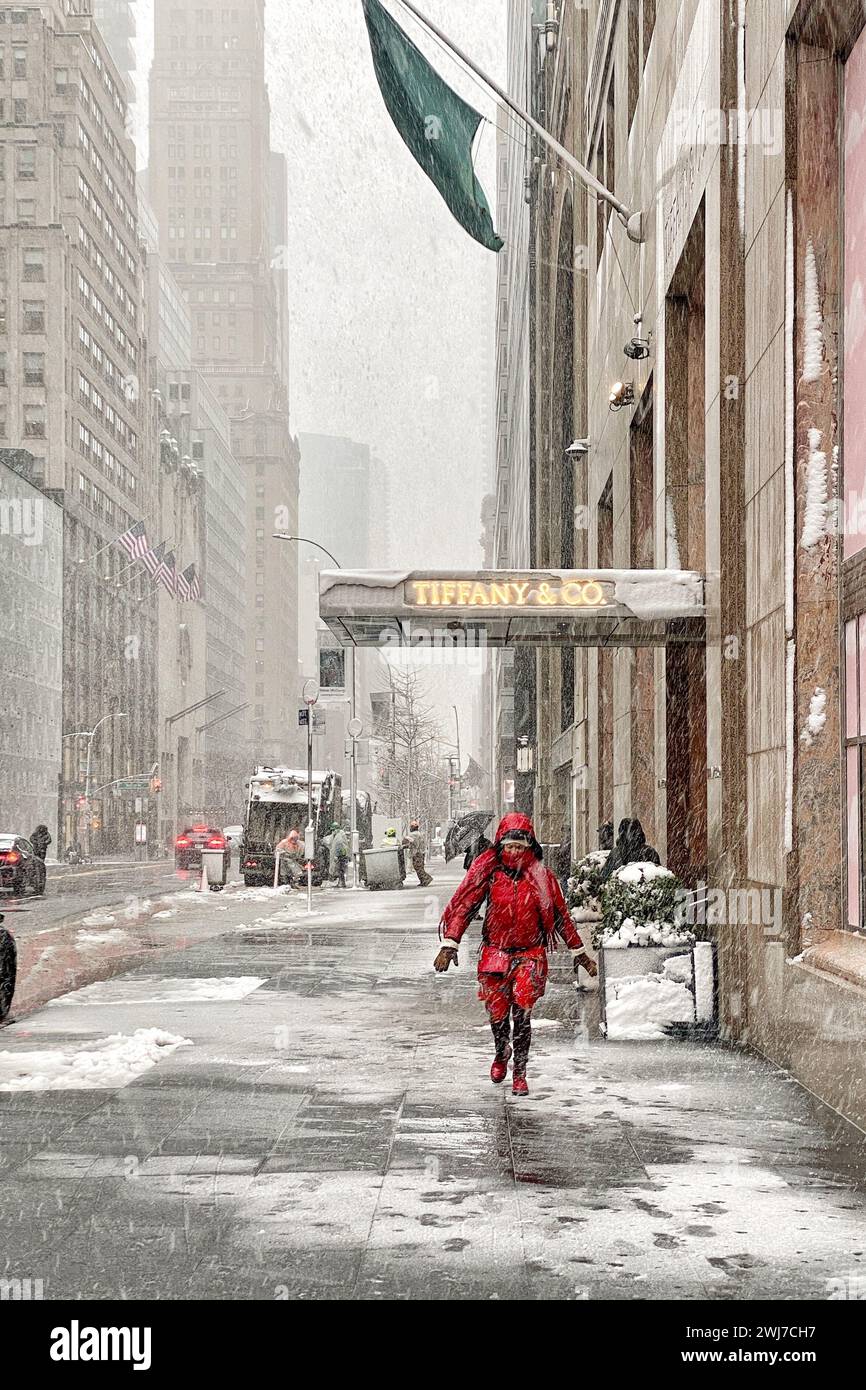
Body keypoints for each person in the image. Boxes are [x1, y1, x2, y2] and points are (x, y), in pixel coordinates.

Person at [434, 812, 598, 1097]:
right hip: (495, 953)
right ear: (501, 845)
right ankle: (501, 1051)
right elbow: (465, 908)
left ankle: (520, 1072)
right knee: (497, 1015)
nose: (514, 851)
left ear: (529, 847)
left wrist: (580, 954)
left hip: (529, 954)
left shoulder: (542, 877)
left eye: (519, 846)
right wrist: (449, 945)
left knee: (522, 1015)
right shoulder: (490, 873)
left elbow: (560, 917)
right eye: (509, 846)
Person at [403, 819, 432, 887]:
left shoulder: (413, 835)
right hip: (421, 852)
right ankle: (423, 880)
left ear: (412, 827)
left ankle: (426, 879)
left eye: (411, 827)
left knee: (418, 867)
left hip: (417, 853)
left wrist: (406, 844)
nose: (410, 828)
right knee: (420, 867)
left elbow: (411, 842)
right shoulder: (419, 834)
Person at [329, 821, 350, 888]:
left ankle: (341, 883)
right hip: (341, 855)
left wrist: (337, 855)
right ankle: (341, 882)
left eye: (333, 830)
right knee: (340, 870)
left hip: (341, 856)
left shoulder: (339, 836)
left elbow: (339, 845)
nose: (332, 831)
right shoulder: (339, 834)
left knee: (340, 870)